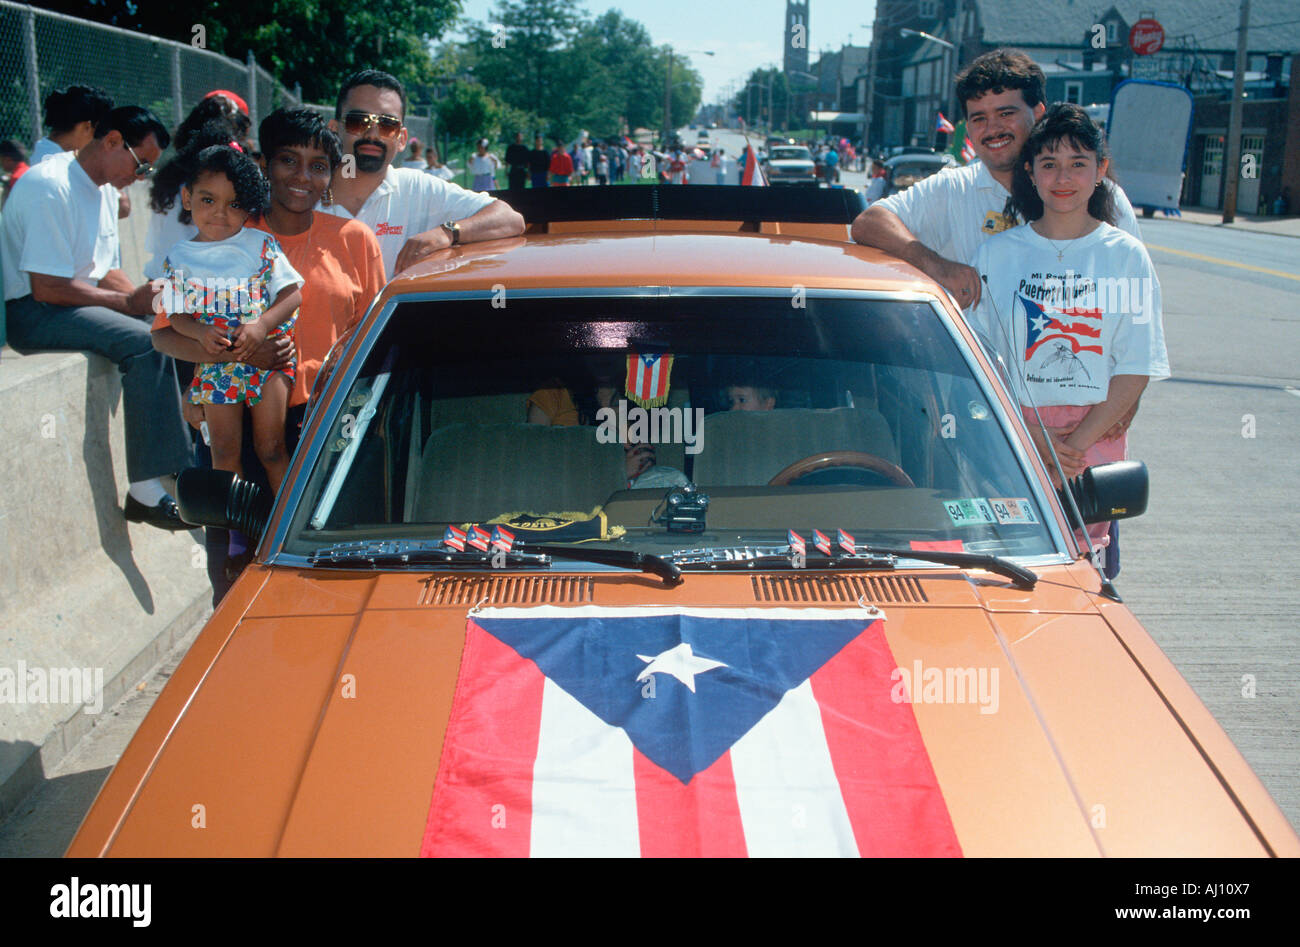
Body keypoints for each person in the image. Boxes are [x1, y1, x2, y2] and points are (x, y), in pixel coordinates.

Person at [151, 106, 385, 595]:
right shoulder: (222, 233)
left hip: (329, 429)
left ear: (330, 175)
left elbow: (375, 343)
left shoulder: (354, 240)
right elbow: (169, 331)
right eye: (287, 160)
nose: (301, 177)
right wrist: (227, 360)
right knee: (237, 580)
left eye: (317, 166)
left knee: (326, 579)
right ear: (264, 165)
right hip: (235, 416)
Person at [969, 104, 1169, 579]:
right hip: (1013, 433)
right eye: (1049, 163)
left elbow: (1137, 363)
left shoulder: (1126, 256)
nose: (1063, 177)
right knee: (1012, 560)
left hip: (1094, 435)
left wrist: (1074, 447)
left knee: (1079, 567)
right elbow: (978, 361)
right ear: (1030, 172)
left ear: (1100, 171)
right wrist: (1031, 435)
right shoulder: (996, 254)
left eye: (1078, 163)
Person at [2, 106, 192, 530]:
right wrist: (128, 304)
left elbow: (103, 270)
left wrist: (150, 301)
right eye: (141, 164)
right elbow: (46, 287)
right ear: (111, 141)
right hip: (35, 312)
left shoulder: (103, 189)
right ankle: (145, 491)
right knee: (145, 344)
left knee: (170, 330)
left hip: (72, 304)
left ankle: (181, 465)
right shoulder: (49, 186)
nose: (141, 176)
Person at [159, 145, 303, 577]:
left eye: (235, 204)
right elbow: (175, 316)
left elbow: (292, 294)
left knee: (271, 447)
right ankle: (238, 538)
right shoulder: (178, 258)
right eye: (208, 200)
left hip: (266, 358)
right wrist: (199, 332)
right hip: (217, 366)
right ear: (187, 198)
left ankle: (287, 527)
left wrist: (261, 325)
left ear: (250, 207)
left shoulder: (261, 245)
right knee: (223, 450)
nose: (220, 214)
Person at [322, 70, 523, 278]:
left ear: (401, 139)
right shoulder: (308, 193)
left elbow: (510, 219)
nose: (372, 134)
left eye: (387, 125)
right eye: (358, 121)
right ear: (334, 129)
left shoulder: (416, 189)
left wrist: (447, 233)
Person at [30, 85, 130, 222]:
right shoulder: (52, 166)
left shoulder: (45, 151)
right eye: (102, 131)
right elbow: (123, 206)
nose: (103, 139)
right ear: (86, 127)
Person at [0, 139, 29, 205]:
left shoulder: (16, 178)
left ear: (8, 159)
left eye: (1, 159)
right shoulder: (29, 170)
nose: (1, 163)